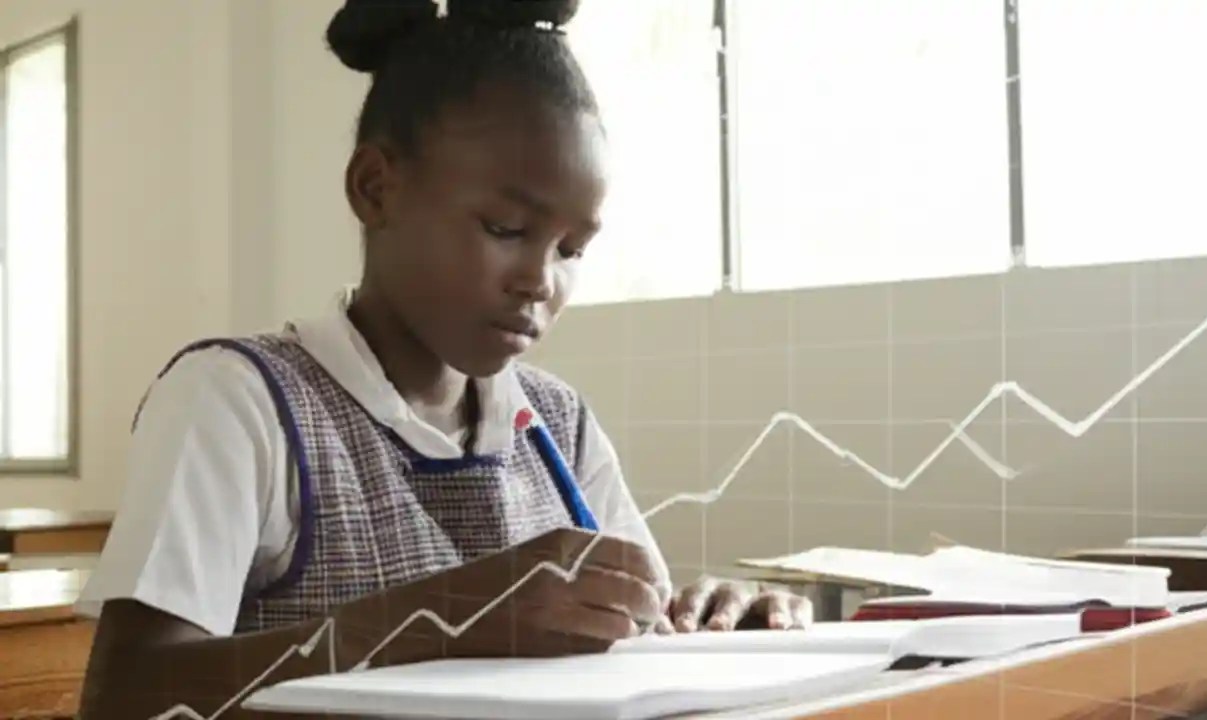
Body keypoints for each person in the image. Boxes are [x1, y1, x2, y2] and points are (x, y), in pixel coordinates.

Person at [75, 0, 812, 717]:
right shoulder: (239, 402)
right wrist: (450, 613)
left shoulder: (558, 424)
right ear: (375, 189)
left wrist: (703, 630)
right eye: (505, 227)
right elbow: (127, 694)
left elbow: (627, 641)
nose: (540, 279)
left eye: (571, 250)